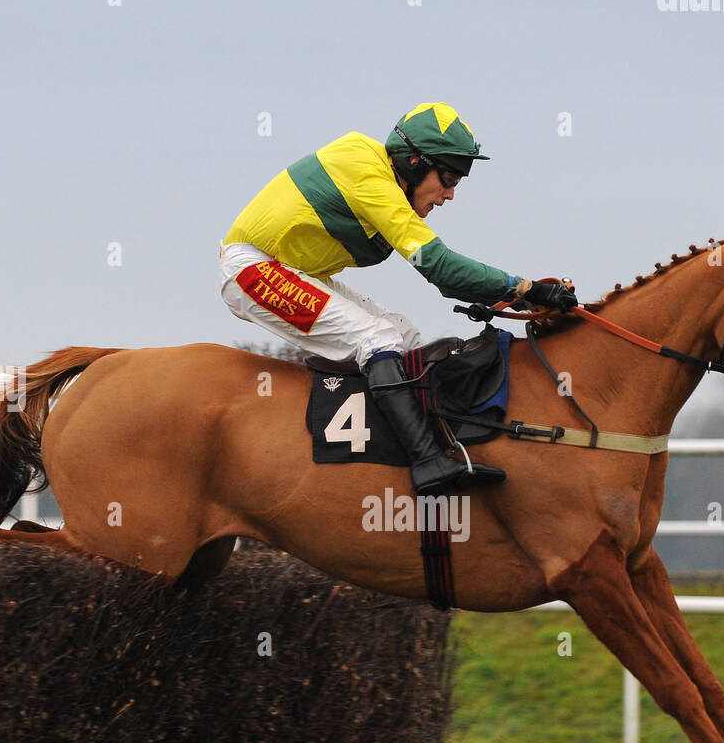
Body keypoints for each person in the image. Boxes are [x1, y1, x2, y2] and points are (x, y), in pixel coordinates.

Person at [220, 101, 577, 495]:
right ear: (412, 162)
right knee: (378, 340)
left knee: (403, 335)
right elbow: (439, 268)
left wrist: (509, 295)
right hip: (253, 268)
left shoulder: (383, 175)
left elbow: (443, 272)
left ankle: (429, 448)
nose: (450, 194)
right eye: (447, 178)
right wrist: (523, 287)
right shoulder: (369, 174)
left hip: (293, 270)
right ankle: (425, 462)